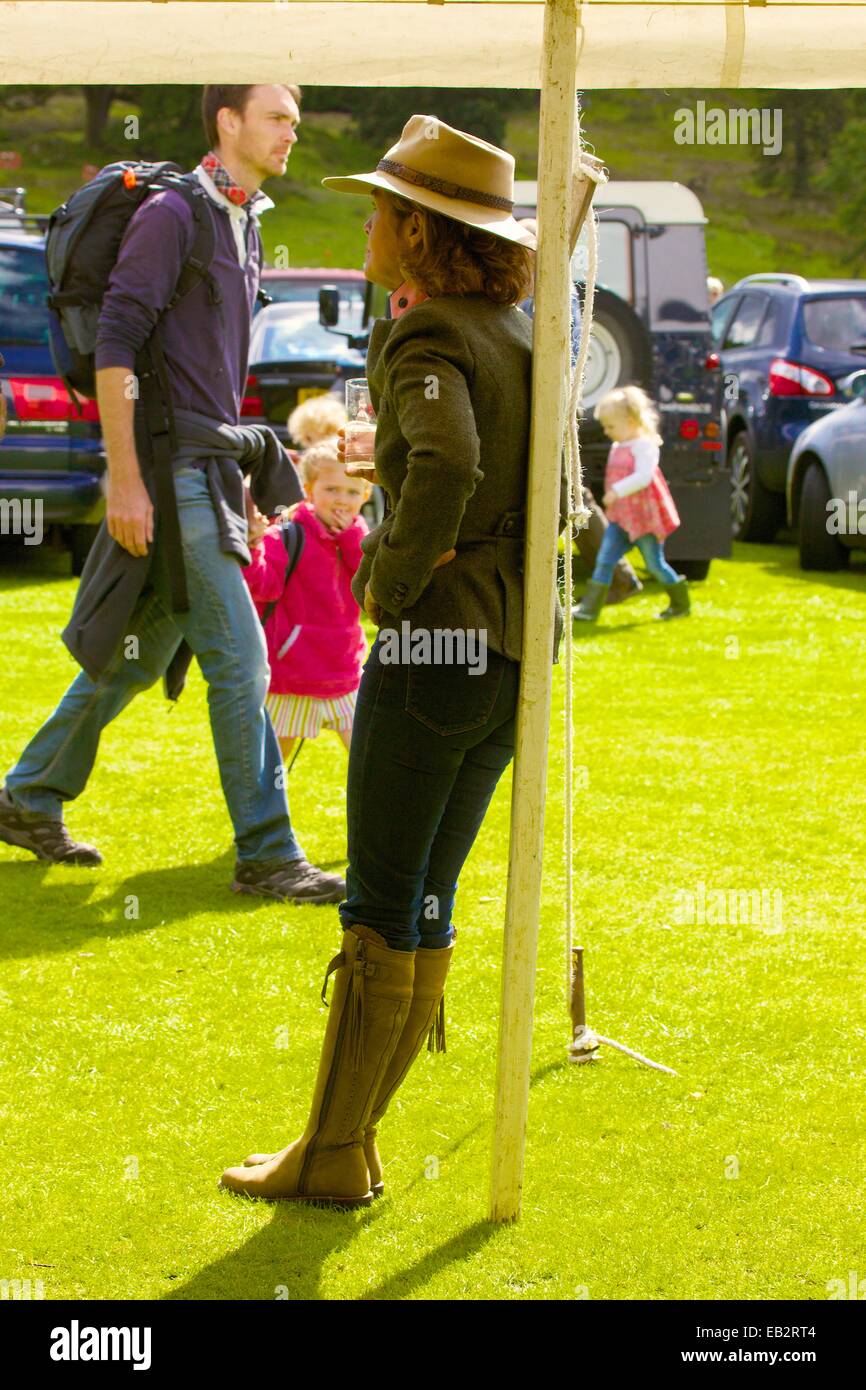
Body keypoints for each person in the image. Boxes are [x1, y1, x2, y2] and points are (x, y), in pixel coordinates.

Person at [218, 113, 569, 1205]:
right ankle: (348, 1142)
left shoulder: (429, 336)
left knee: (378, 900)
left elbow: (453, 456)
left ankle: (330, 1153)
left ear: (416, 232)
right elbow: (564, 491)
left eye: (379, 208)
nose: (365, 222)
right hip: (513, 656)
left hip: (436, 648)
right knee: (422, 899)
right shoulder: (523, 331)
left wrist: (387, 583)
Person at [0, 83, 345, 906]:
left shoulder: (247, 222)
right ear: (227, 122)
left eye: (296, 118)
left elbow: (215, 381)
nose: (292, 131)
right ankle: (267, 852)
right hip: (167, 472)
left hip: (209, 471)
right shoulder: (174, 215)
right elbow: (116, 345)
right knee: (243, 660)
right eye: (277, 117)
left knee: (138, 653)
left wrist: (242, 485)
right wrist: (124, 478)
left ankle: (27, 794)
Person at [516, 216, 642, 608]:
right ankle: (618, 577)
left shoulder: (544, 293)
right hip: (559, 407)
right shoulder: (560, 288)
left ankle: (617, 577)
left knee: (569, 495)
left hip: (547, 410)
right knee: (570, 494)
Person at [243, 441, 370, 767]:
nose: (342, 499)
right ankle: (264, 817)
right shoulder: (286, 533)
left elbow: (370, 586)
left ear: (366, 496)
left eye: (352, 492)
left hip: (345, 675)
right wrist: (253, 547)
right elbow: (263, 586)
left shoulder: (360, 537)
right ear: (309, 490)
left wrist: (350, 538)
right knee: (271, 768)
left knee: (370, 763)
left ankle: (383, 819)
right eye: (331, 489)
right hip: (293, 677)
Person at [573, 385, 690, 623]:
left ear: (630, 420)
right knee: (605, 559)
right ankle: (590, 609)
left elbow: (644, 476)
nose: (606, 432)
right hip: (620, 518)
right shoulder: (618, 446)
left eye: (611, 426)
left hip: (644, 519)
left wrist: (616, 491)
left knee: (654, 563)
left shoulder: (645, 446)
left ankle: (680, 604)